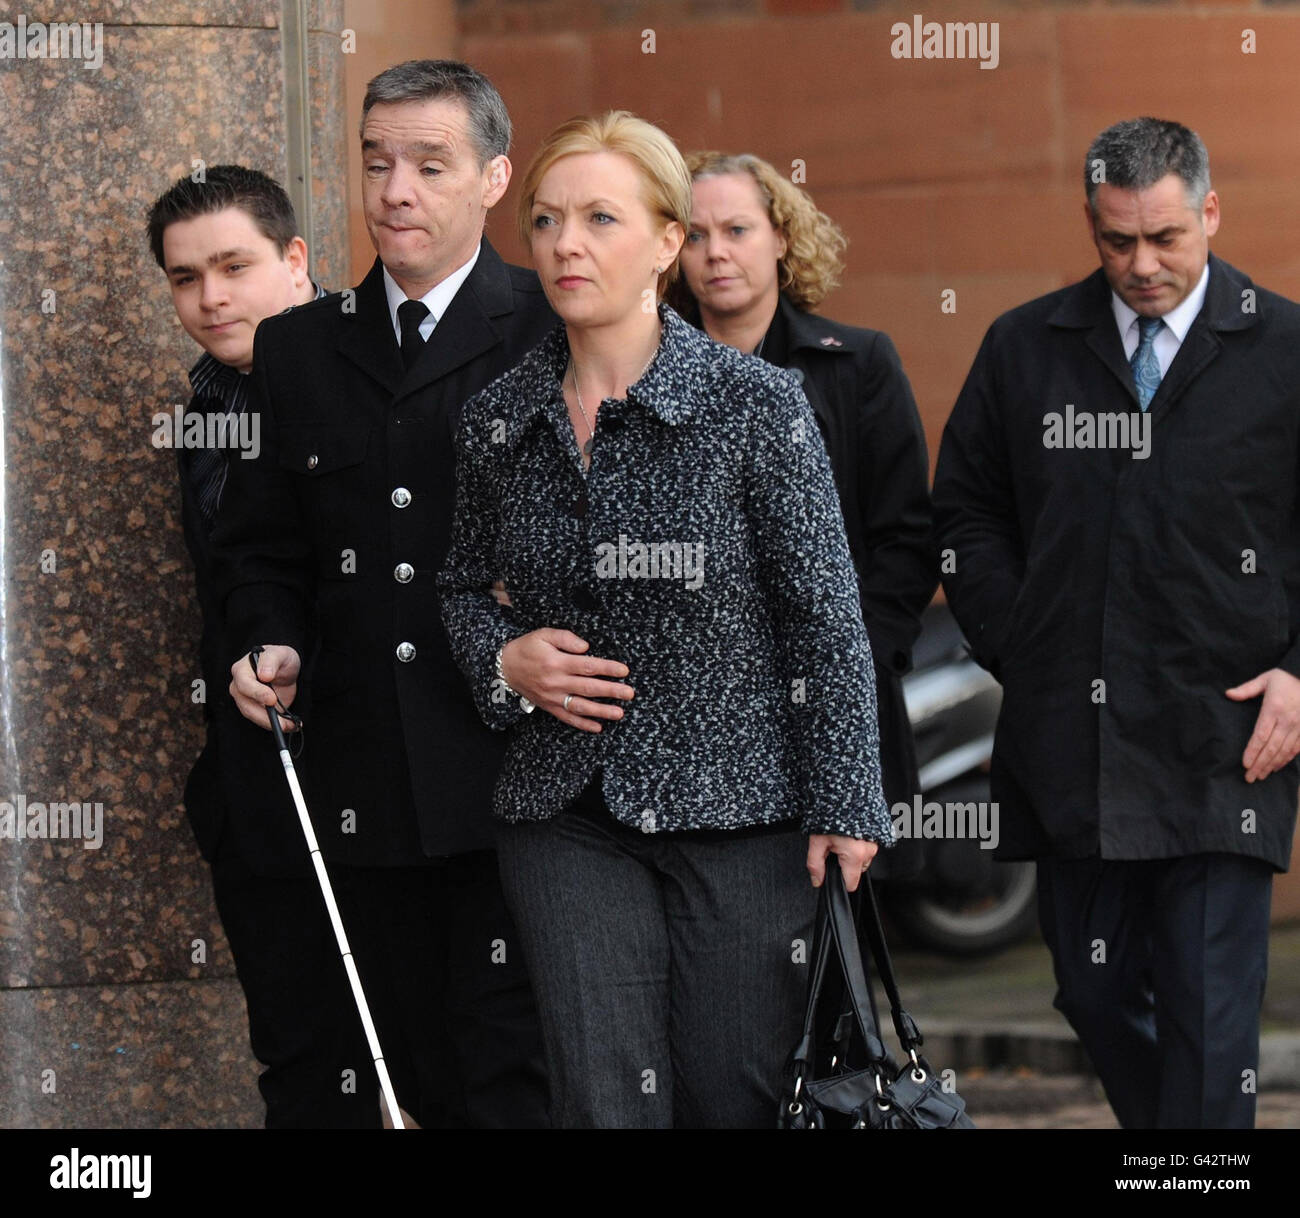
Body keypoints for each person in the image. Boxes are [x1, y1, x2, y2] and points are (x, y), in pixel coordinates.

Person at [438, 110, 893, 1129]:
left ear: (666, 244)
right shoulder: (498, 420)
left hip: (742, 812)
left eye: (600, 218)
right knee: (603, 1101)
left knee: (730, 1093)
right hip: (564, 812)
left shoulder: (756, 404)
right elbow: (459, 587)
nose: (565, 243)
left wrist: (846, 801)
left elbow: (824, 615)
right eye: (547, 219)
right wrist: (504, 661)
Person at [932, 116, 1300, 1129]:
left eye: (1165, 239)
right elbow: (963, 510)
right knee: (1092, 995)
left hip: (1226, 743)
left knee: (1209, 1021)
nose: (1140, 265)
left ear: (1210, 215)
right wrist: (1022, 639)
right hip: (1072, 745)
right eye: (1115, 241)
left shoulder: (1285, 349)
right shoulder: (1024, 346)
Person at [211, 60, 553, 1129]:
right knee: (402, 1067)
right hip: (365, 780)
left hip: (520, 774)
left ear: (493, 177)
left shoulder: (548, 324)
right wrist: (270, 641)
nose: (393, 189)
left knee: (516, 1069)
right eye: (375, 162)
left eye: (427, 165)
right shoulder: (299, 348)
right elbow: (262, 547)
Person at [147, 165, 374, 1127]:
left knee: (411, 1065)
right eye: (186, 277)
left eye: (234, 266)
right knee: (298, 1068)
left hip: (381, 796)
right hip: (259, 802)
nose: (211, 298)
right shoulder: (204, 408)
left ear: (295, 259)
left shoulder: (378, 369)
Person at [675, 150, 934, 827]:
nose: (715, 254)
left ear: (782, 237)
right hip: (690, 711)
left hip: (830, 701)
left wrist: (850, 664)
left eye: (737, 230)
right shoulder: (642, 372)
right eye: (695, 235)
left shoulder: (859, 364)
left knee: (835, 920)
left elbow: (906, 537)